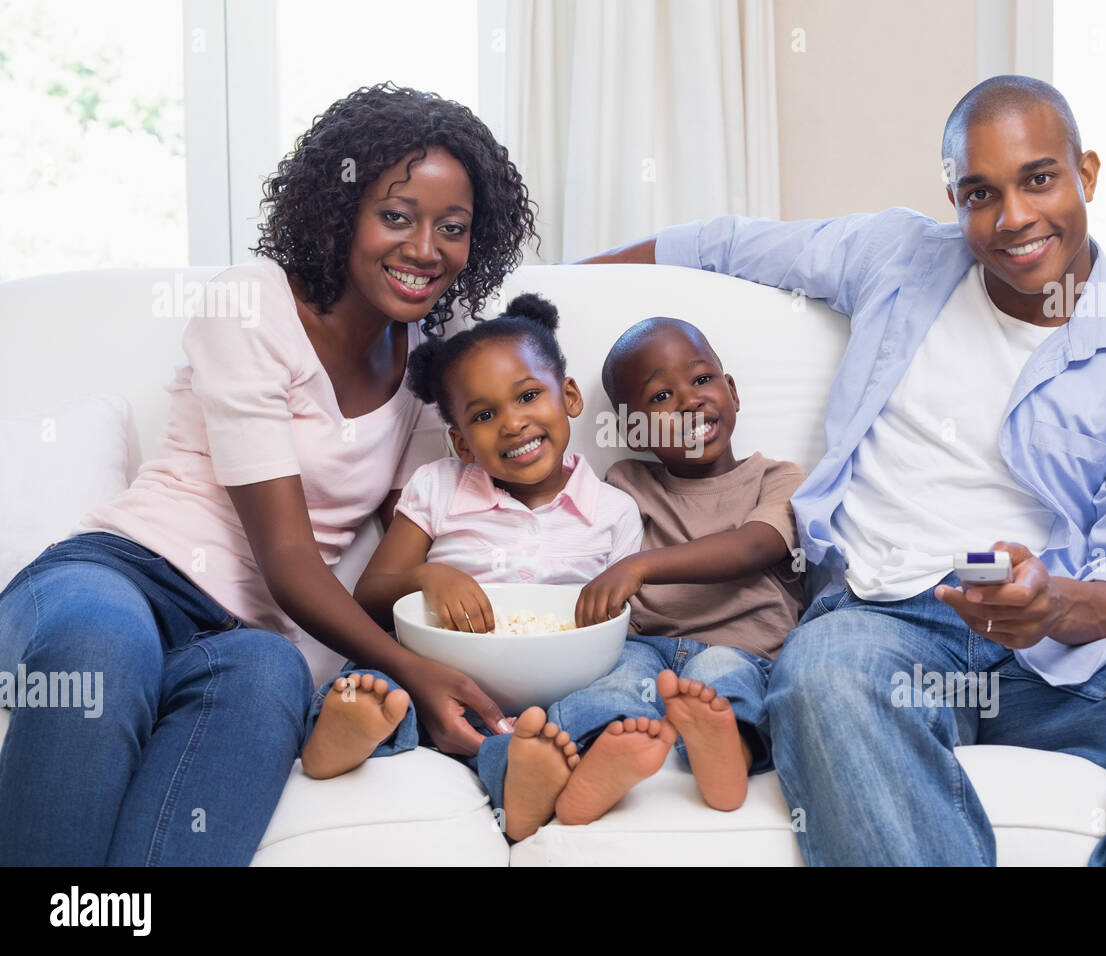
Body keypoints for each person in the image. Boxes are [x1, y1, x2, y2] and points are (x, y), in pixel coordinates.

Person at [581, 74, 1106, 865]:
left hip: (1046, 659)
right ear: (953, 198)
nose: (1014, 218)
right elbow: (717, 244)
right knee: (822, 682)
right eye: (980, 193)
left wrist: (1054, 604)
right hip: (877, 628)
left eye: (1039, 179)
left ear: (1085, 173)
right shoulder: (897, 257)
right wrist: (561, 283)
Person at [0, 83, 536, 865]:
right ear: (340, 212)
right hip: (120, 577)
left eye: (451, 229)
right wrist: (414, 671)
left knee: (267, 679)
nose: (425, 248)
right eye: (396, 216)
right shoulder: (253, 304)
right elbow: (288, 562)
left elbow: (416, 534)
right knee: (104, 645)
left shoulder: (430, 354)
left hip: (246, 639)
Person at [298, 294, 644, 837]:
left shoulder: (613, 511)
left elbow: (618, 623)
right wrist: (426, 576)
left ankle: (536, 774)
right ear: (459, 441)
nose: (513, 423)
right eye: (484, 415)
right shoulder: (437, 486)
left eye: (528, 395)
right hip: (436, 670)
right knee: (373, 679)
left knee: (627, 676)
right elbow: (369, 595)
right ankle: (343, 728)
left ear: (569, 397)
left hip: (559, 686)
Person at [524, 317, 806, 834]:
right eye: (659, 398)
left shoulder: (780, 478)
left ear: (732, 392)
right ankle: (586, 760)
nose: (688, 401)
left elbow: (754, 546)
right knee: (618, 683)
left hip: (741, 645)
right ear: (633, 431)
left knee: (723, 680)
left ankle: (728, 757)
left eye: (701, 380)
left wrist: (640, 565)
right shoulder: (626, 482)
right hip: (645, 646)